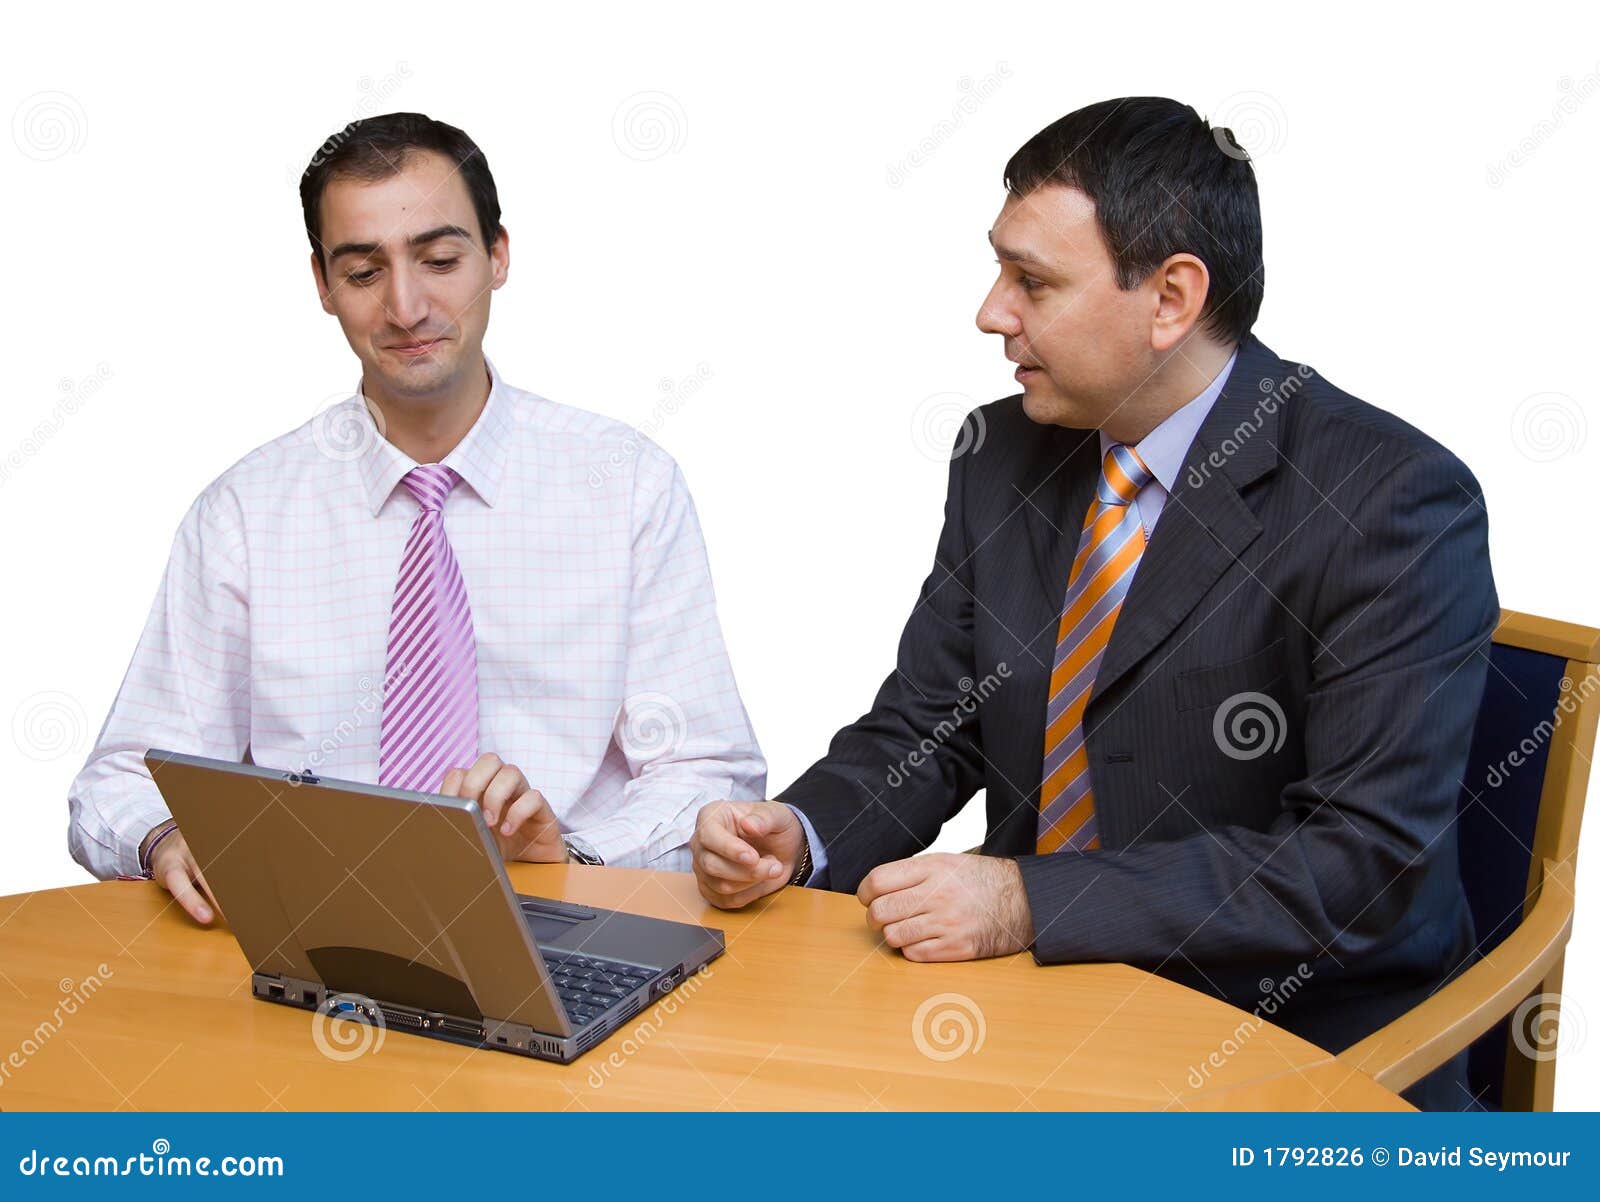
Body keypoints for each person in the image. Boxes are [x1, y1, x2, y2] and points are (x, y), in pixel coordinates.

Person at [688, 97, 1496, 1110]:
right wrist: (800, 833)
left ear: (1170, 298)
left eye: (1030, 280)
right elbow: (931, 724)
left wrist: (1028, 900)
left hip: (1290, 1044)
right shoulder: (1003, 453)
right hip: (1030, 1014)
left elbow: (1361, 864)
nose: (991, 312)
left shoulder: (1390, 499)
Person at [69, 113, 764, 919]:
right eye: (364, 273)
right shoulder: (245, 515)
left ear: (498, 256)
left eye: (439, 260)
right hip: (320, 935)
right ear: (322, 285)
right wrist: (166, 837)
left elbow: (712, 777)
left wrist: (568, 858)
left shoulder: (628, 485)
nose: (406, 307)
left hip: (569, 927)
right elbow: (118, 781)